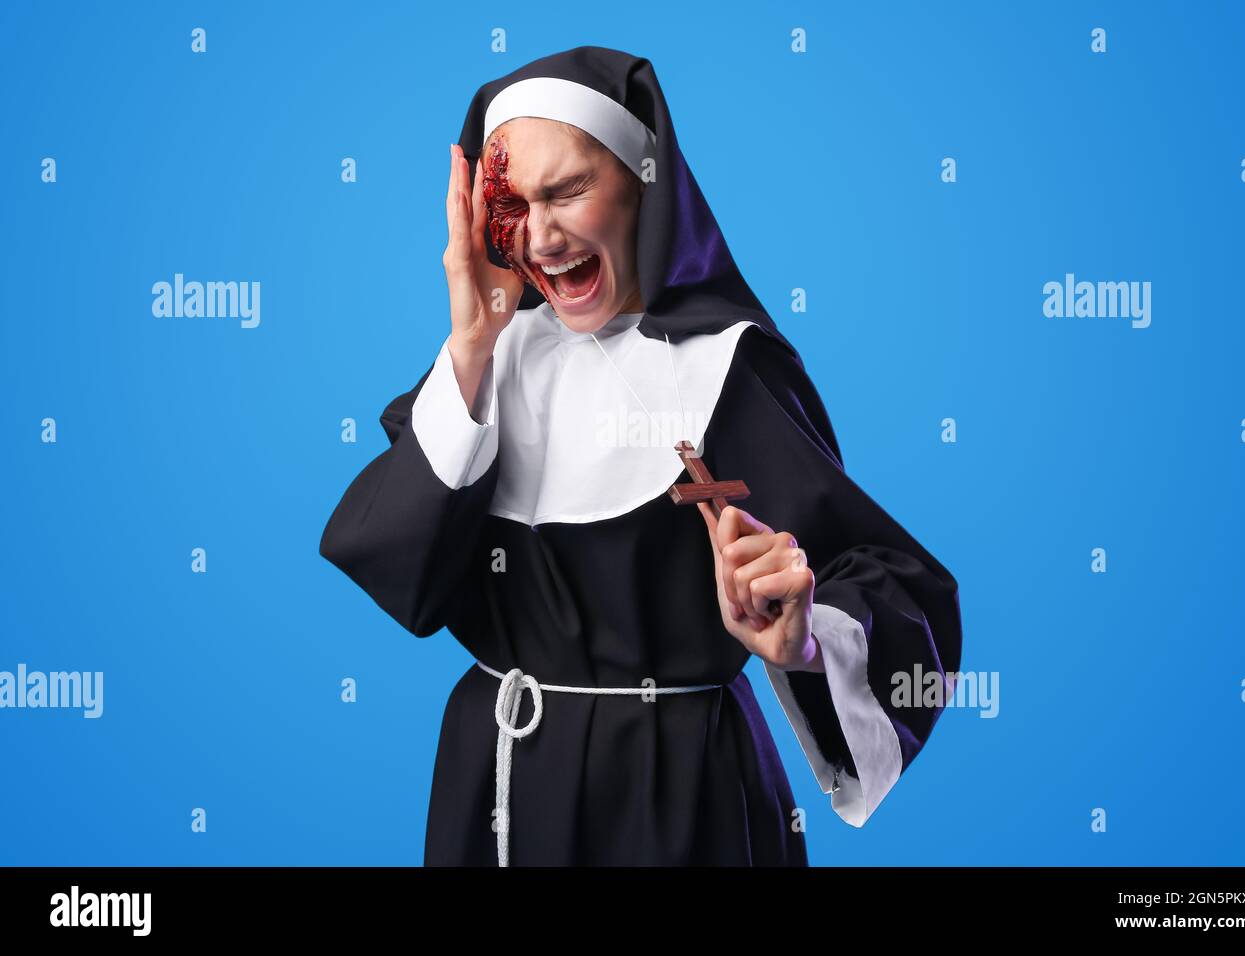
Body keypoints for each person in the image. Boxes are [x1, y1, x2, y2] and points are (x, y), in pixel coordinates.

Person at [319, 45, 962, 866]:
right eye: (512, 204)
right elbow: (402, 580)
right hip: (493, 785)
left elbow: (900, 589)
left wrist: (800, 637)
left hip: (678, 792)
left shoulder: (725, 368)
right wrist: (473, 344)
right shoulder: (487, 361)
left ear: (642, 182)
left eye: (568, 190)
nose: (543, 236)